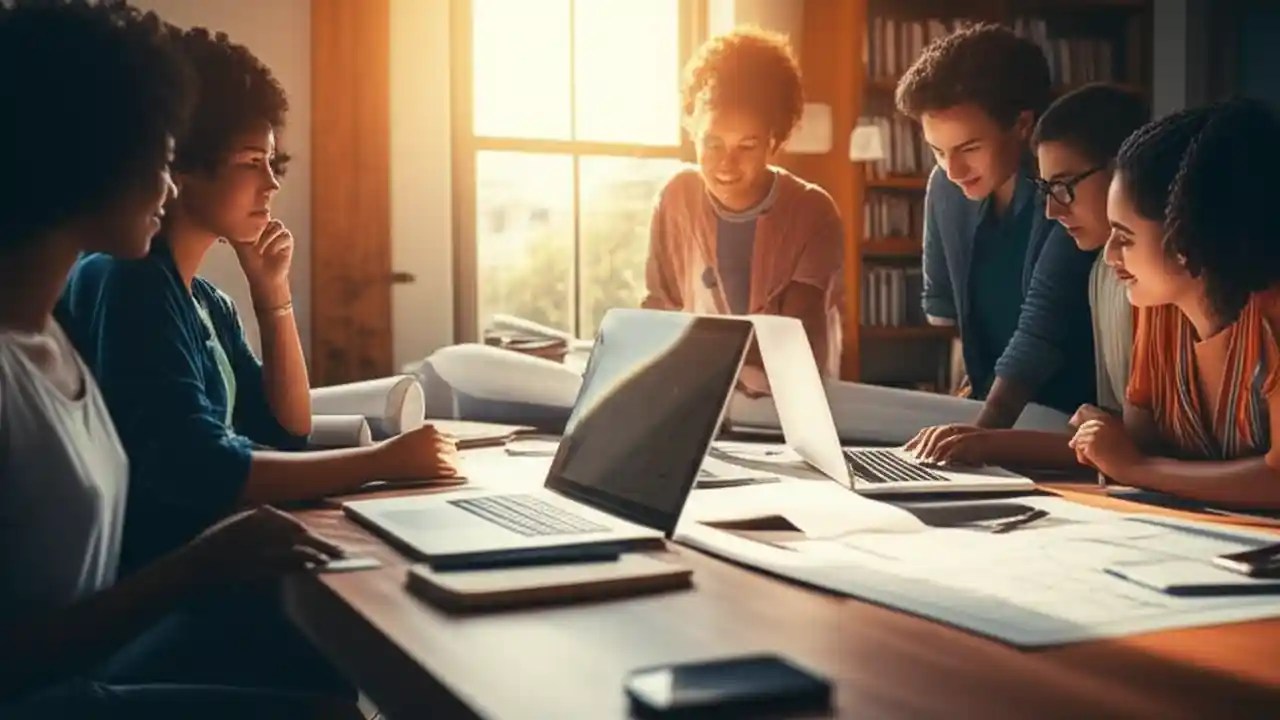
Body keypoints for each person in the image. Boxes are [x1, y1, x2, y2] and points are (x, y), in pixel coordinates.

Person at [0, 2, 352, 717]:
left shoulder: (49, 342)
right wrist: (197, 568)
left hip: (83, 667)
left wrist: (273, 299)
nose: (169, 183)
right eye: (157, 156)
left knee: (313, 652)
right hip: (46, 694)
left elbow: (281, 429)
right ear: (88, 153)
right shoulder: (99, 300)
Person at [59, 26, 459, 571]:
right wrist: (381, 460)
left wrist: (272, 295)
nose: (271, 183)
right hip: (154, 584)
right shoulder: (129, 278)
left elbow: (284, 430)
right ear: (183, 165)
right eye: (251, 162)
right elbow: (195, 468)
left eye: (272, 162)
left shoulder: (204, 300)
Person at [910, 84, 1148, 467]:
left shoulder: (1149, 281)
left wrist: (988, 441)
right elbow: (1120, 443)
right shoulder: (1105, 274)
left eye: (1064, 187)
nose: (1052, 211)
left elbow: (1140, 449)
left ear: (1123, 172)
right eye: (1045, 188)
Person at [1070, 98, 1280, 509]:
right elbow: (1139, 446)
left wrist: (1134, 470)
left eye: (1124, 237)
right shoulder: (1160, 309)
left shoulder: (1272, 313)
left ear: (1185, 237)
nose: (1110, 254)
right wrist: (993, 444)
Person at [896, 24, 1099, 450]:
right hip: (990, 412)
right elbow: (950, 314)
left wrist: (982, 433)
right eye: (937, 150)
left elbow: (1040, 333)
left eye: (969, 148)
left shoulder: (1060, 194)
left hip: (1066, 422)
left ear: (1022, 125)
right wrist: (968, 408)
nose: (952, 170)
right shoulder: (945, 189)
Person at [642, 26, 844, 390]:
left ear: (774, 139)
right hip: (693, 396)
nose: (726, 164)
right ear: (692, 133)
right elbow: (658, 309)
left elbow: (798, 347)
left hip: (780, 406)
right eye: (713, 143)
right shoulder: (675, 198)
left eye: (747, 146)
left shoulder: (813, 211)